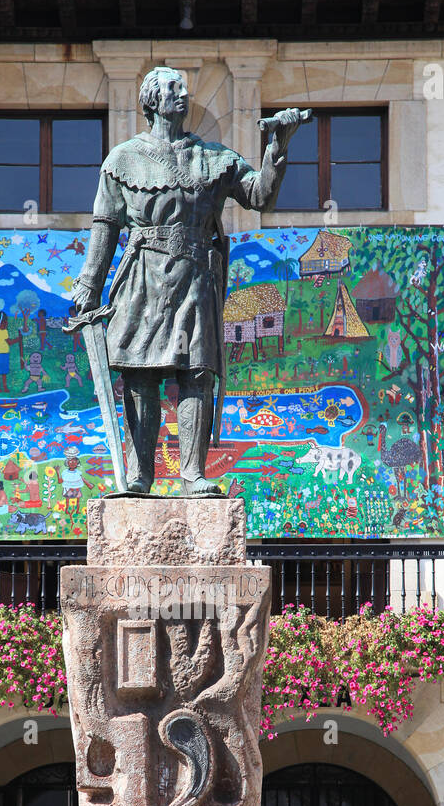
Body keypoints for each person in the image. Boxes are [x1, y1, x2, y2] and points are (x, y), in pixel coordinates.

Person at [71, 66, 302, 495]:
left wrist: (277, 147)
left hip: (196, 276)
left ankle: (193, 474)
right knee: (140, 374)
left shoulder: (213, 158)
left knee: (197, 372)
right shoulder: (123, 159)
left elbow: (259, 196)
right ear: (152, 100)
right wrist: (89, 285)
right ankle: (140, 476)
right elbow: (105, 225)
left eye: (184, 88)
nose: (183, 94)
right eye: (172, 88)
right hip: (143, 277)